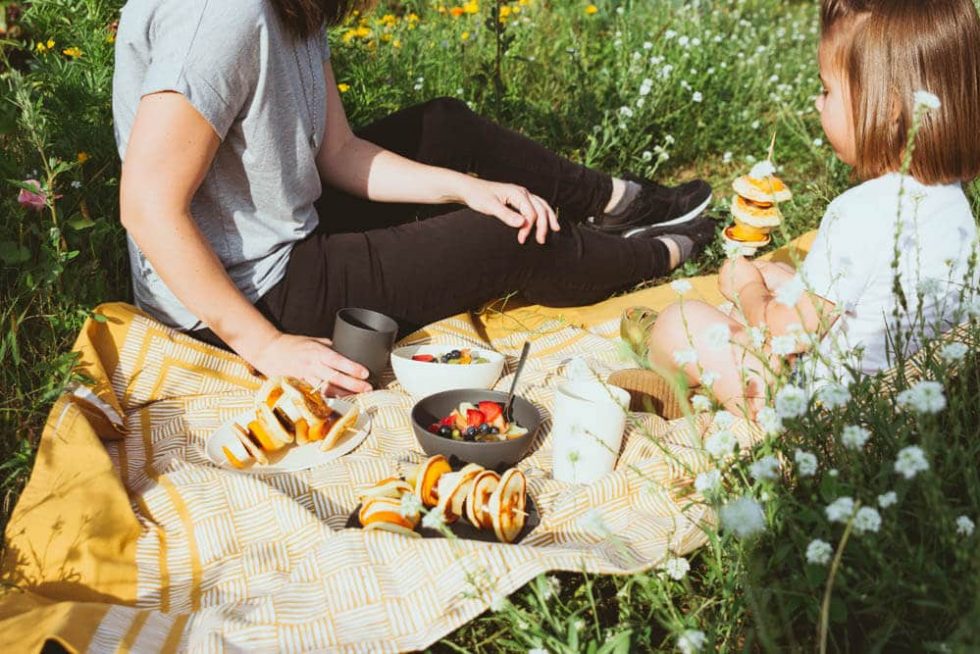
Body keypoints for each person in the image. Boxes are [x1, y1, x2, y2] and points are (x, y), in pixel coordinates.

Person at [112, 0, 714, 396]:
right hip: (242, 292)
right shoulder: (220, 17)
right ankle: (652, 255)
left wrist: (466, 187)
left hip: (286, 226)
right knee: (508, 235)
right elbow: (146, 204)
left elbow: (339, 152)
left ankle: (617, 203)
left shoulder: (294, 8)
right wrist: (264, 344)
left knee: (446, 130)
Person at [647, 0, 980, 417]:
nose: (819, 103)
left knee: (681, 321)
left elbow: (789, 332)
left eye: (828, 90)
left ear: (891, 108)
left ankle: (680, 385)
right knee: (780, 283)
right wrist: (782, 285)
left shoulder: (858, 211)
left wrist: (748, 290)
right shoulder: (953, 198)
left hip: (827, 411)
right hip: (916, 392)